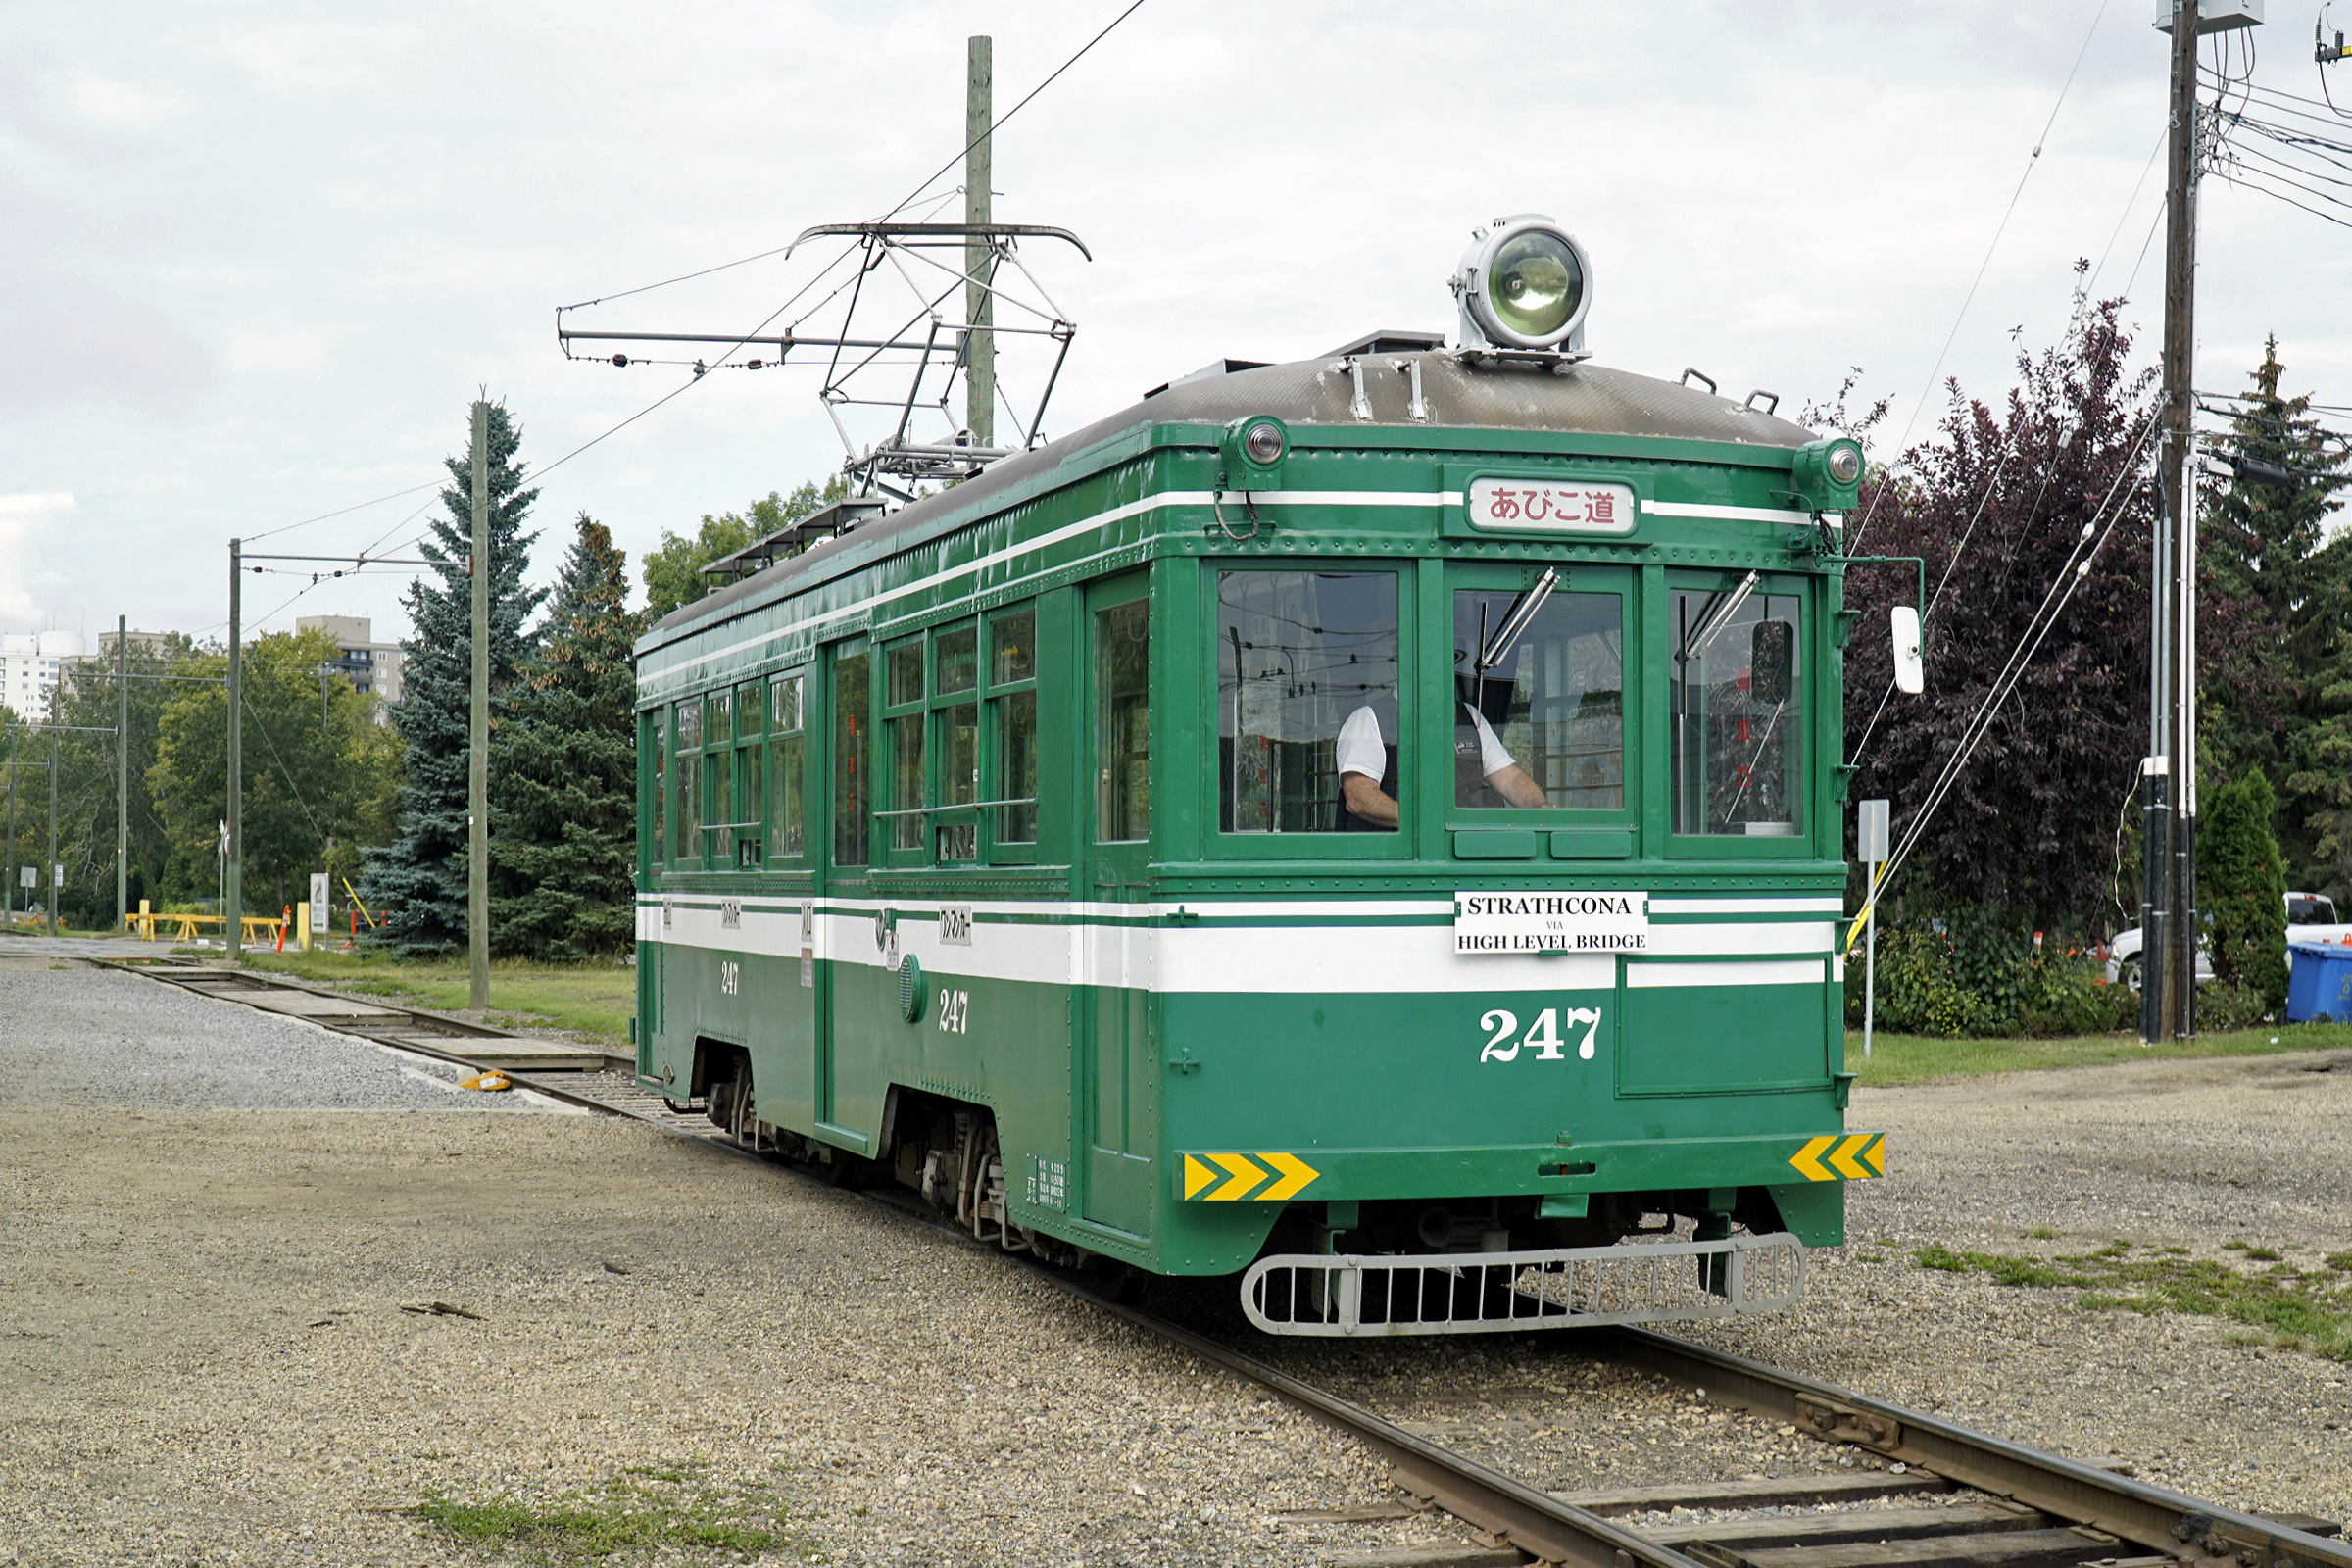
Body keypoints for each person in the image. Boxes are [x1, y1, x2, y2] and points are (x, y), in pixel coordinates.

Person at [1335, 701, 1546, 829]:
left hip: (1470, 857)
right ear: (1396, 665)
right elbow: (1358, 797)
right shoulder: (1368, 718)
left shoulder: (1469, 716)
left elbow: (1509, 778)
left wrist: (1542, 809)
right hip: (1391, 872)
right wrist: (1426, 823)